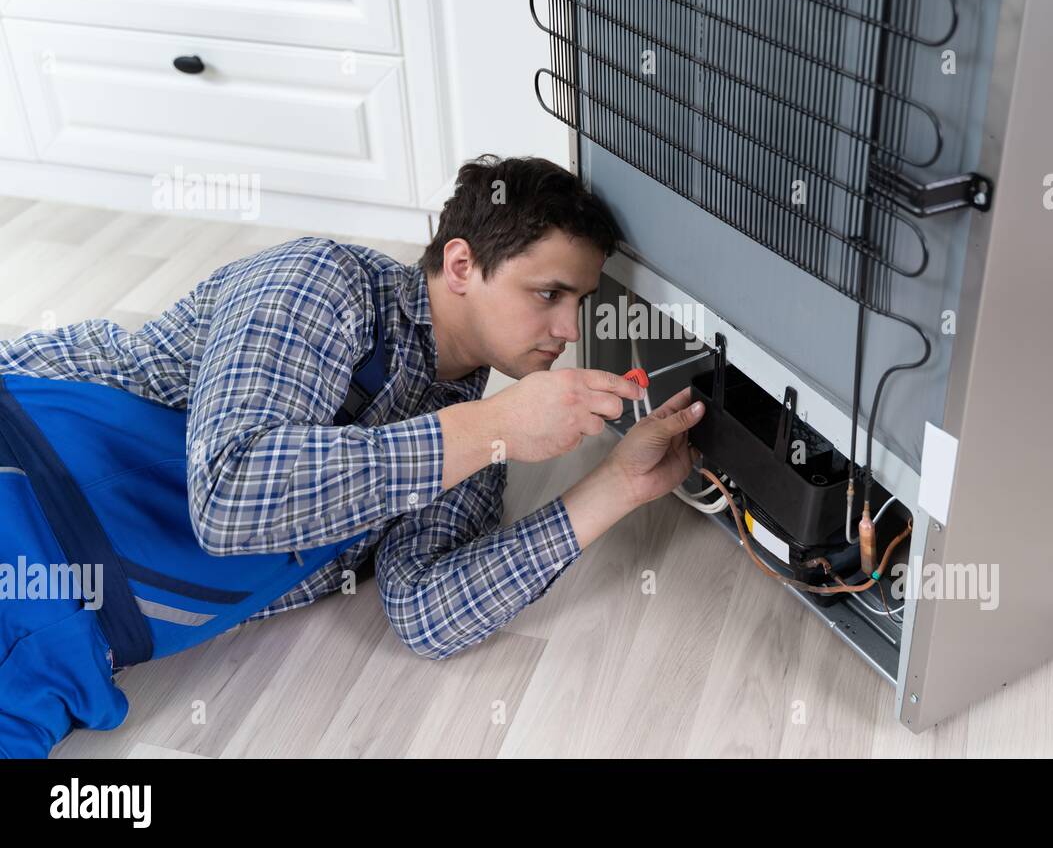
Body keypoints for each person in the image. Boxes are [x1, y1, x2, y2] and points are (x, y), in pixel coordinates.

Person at [0, 153, 706, 757]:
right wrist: (486, 425)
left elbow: (426, 612)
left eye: (580, 302)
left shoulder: (478, 442)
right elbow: (228, 500)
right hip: (28, 471)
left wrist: (618, 486)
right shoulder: (323, 283)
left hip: (63, 647)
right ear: (461, 263)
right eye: (548, 293)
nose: (568, 331)